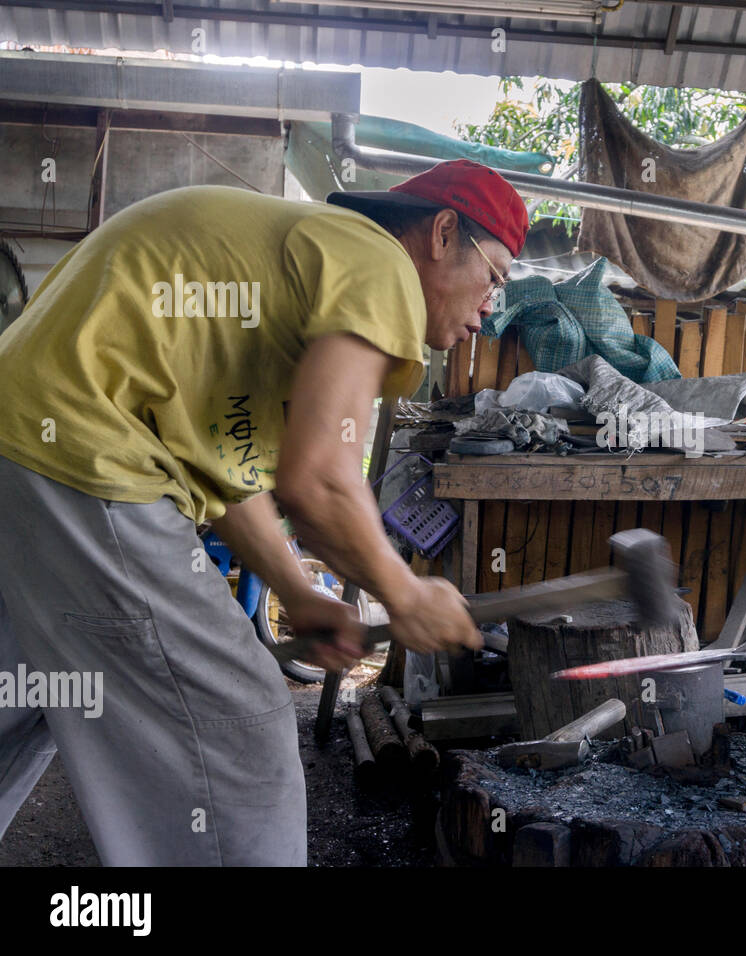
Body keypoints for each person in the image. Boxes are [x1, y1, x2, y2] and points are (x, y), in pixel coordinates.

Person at [0, 160, 526, 864]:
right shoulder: (379, 265)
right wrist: (404, 593)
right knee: (237, 727)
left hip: (24, 438)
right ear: (441, 232)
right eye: (494, 275)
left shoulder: (296, 274)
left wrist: (295, 589)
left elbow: (227, 473)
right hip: (81, 448)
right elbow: (320, 483)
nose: (491, 307)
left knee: (37, 690)